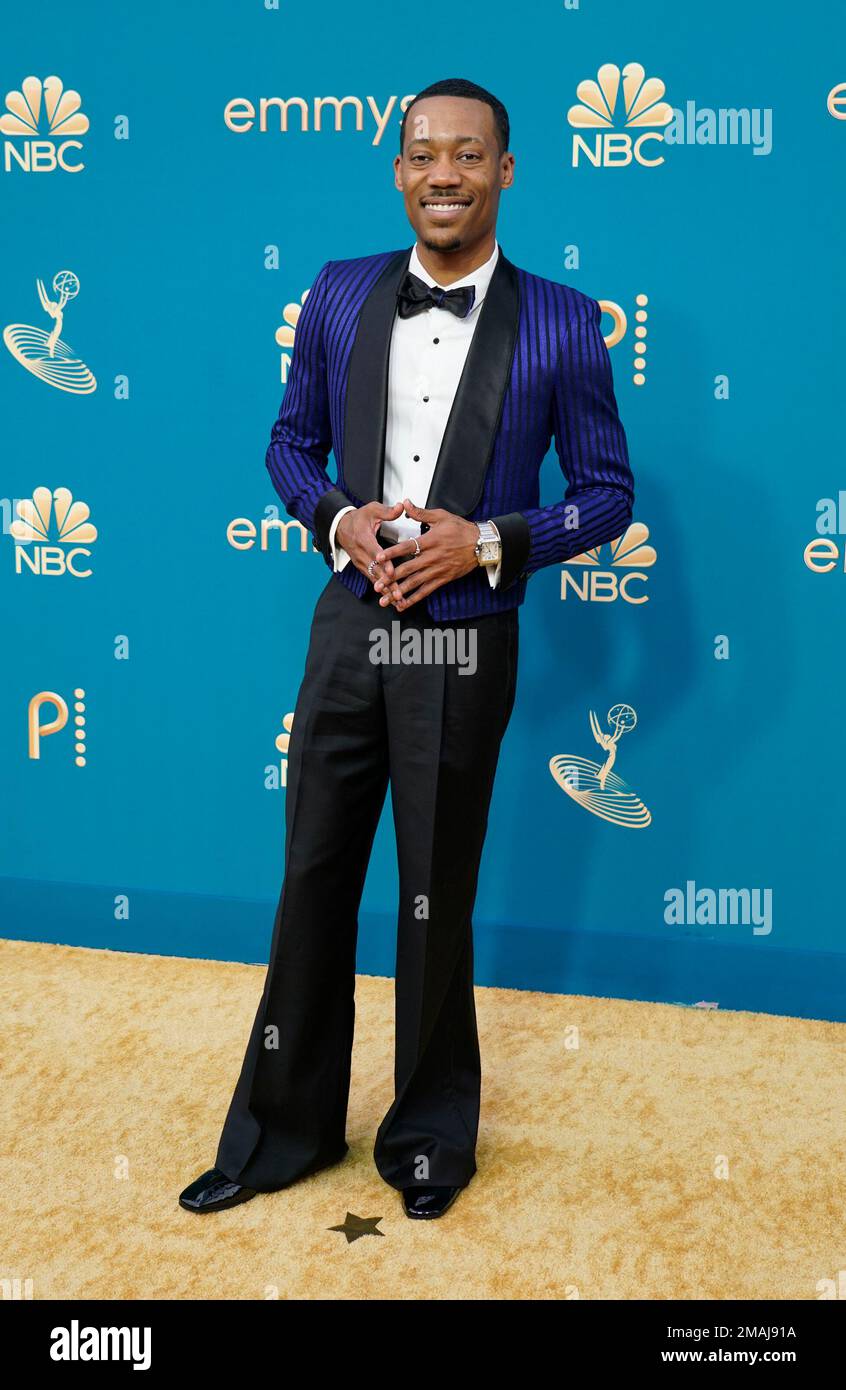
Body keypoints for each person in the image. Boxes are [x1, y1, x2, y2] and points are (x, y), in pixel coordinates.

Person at [179, 76, 634, 1221]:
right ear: (397, 169)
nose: (445, 174)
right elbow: (289, 445)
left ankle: (429, 1137)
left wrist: (483, 541)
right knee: (311, 878)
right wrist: (337, 522)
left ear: (506, 172)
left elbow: (607, 496)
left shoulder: (568, 323)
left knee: (437, 893)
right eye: (424, 154)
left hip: (468, 641)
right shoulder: (336, 295)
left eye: (469, 156)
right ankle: (281, 1130)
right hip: (348, 626)